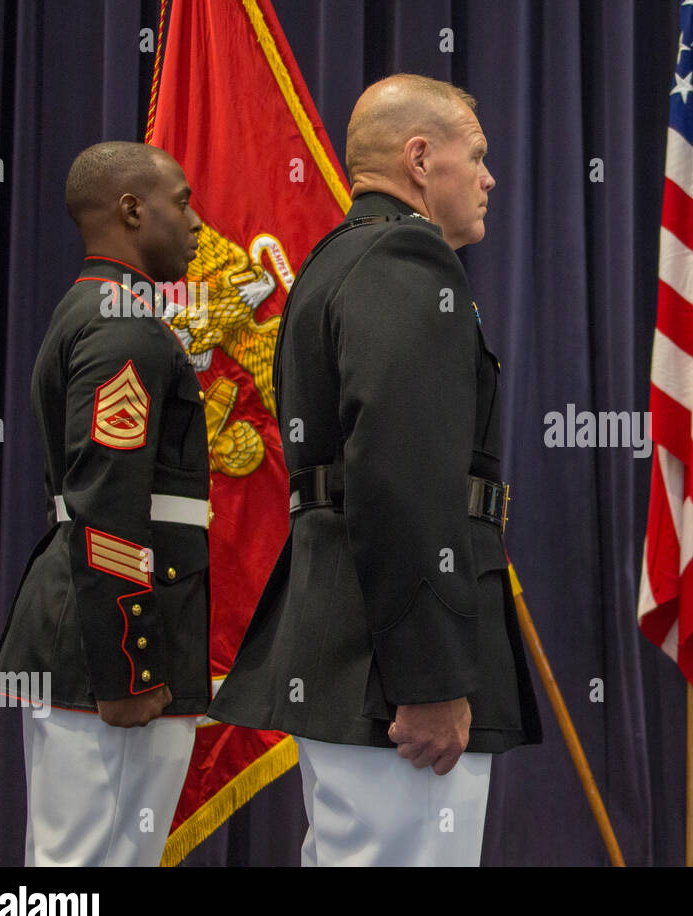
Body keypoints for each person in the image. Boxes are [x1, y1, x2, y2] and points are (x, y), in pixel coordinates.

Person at [208, 74, 542, 866]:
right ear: (420, 159)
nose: (491, 177)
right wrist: (426, 677)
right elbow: (398, 478)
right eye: (478, 155)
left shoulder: (335, 259)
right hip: (391, 669)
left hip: (355, 647)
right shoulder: (405, 257)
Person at [0, 141, 209, 865]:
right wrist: (129, 664)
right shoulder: (122, 326)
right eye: (181, 200)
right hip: (109, 643)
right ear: (130, 208)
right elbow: (107, 503)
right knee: (83, 869)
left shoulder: (102, 310)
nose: (197, 222)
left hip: (105, 631)